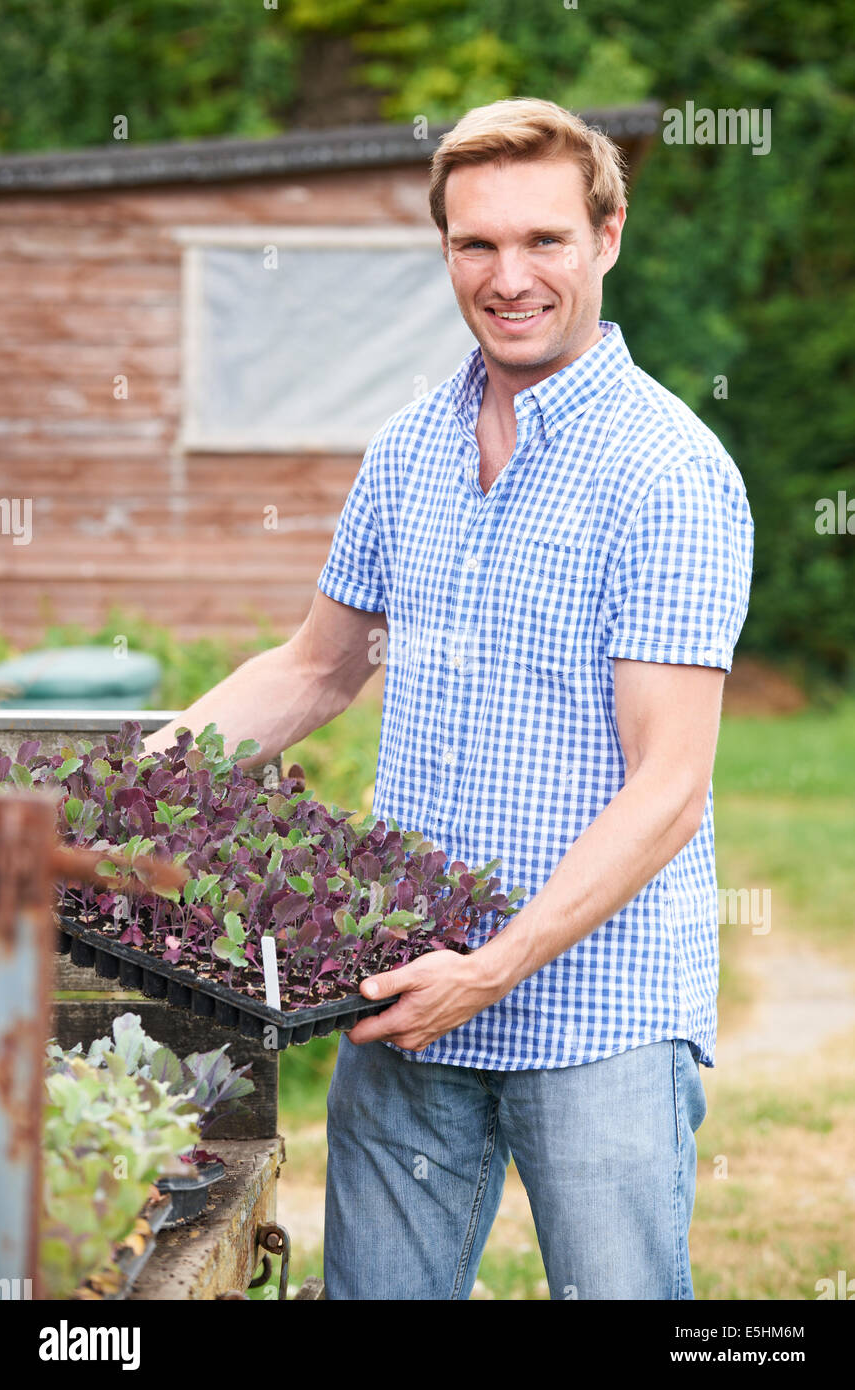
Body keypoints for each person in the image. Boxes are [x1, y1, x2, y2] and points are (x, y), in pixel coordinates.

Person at [144, 98, 754, 1300]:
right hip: (403, 989)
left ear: (608, 237)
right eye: (475, 244)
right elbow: (316, 667)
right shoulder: (411, 446)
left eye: (543, 240)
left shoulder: (667, 474)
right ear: (443, 252)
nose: (508, 275)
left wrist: (492, 966)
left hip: (599, 1009)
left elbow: (668, 789)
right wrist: (119, 788)